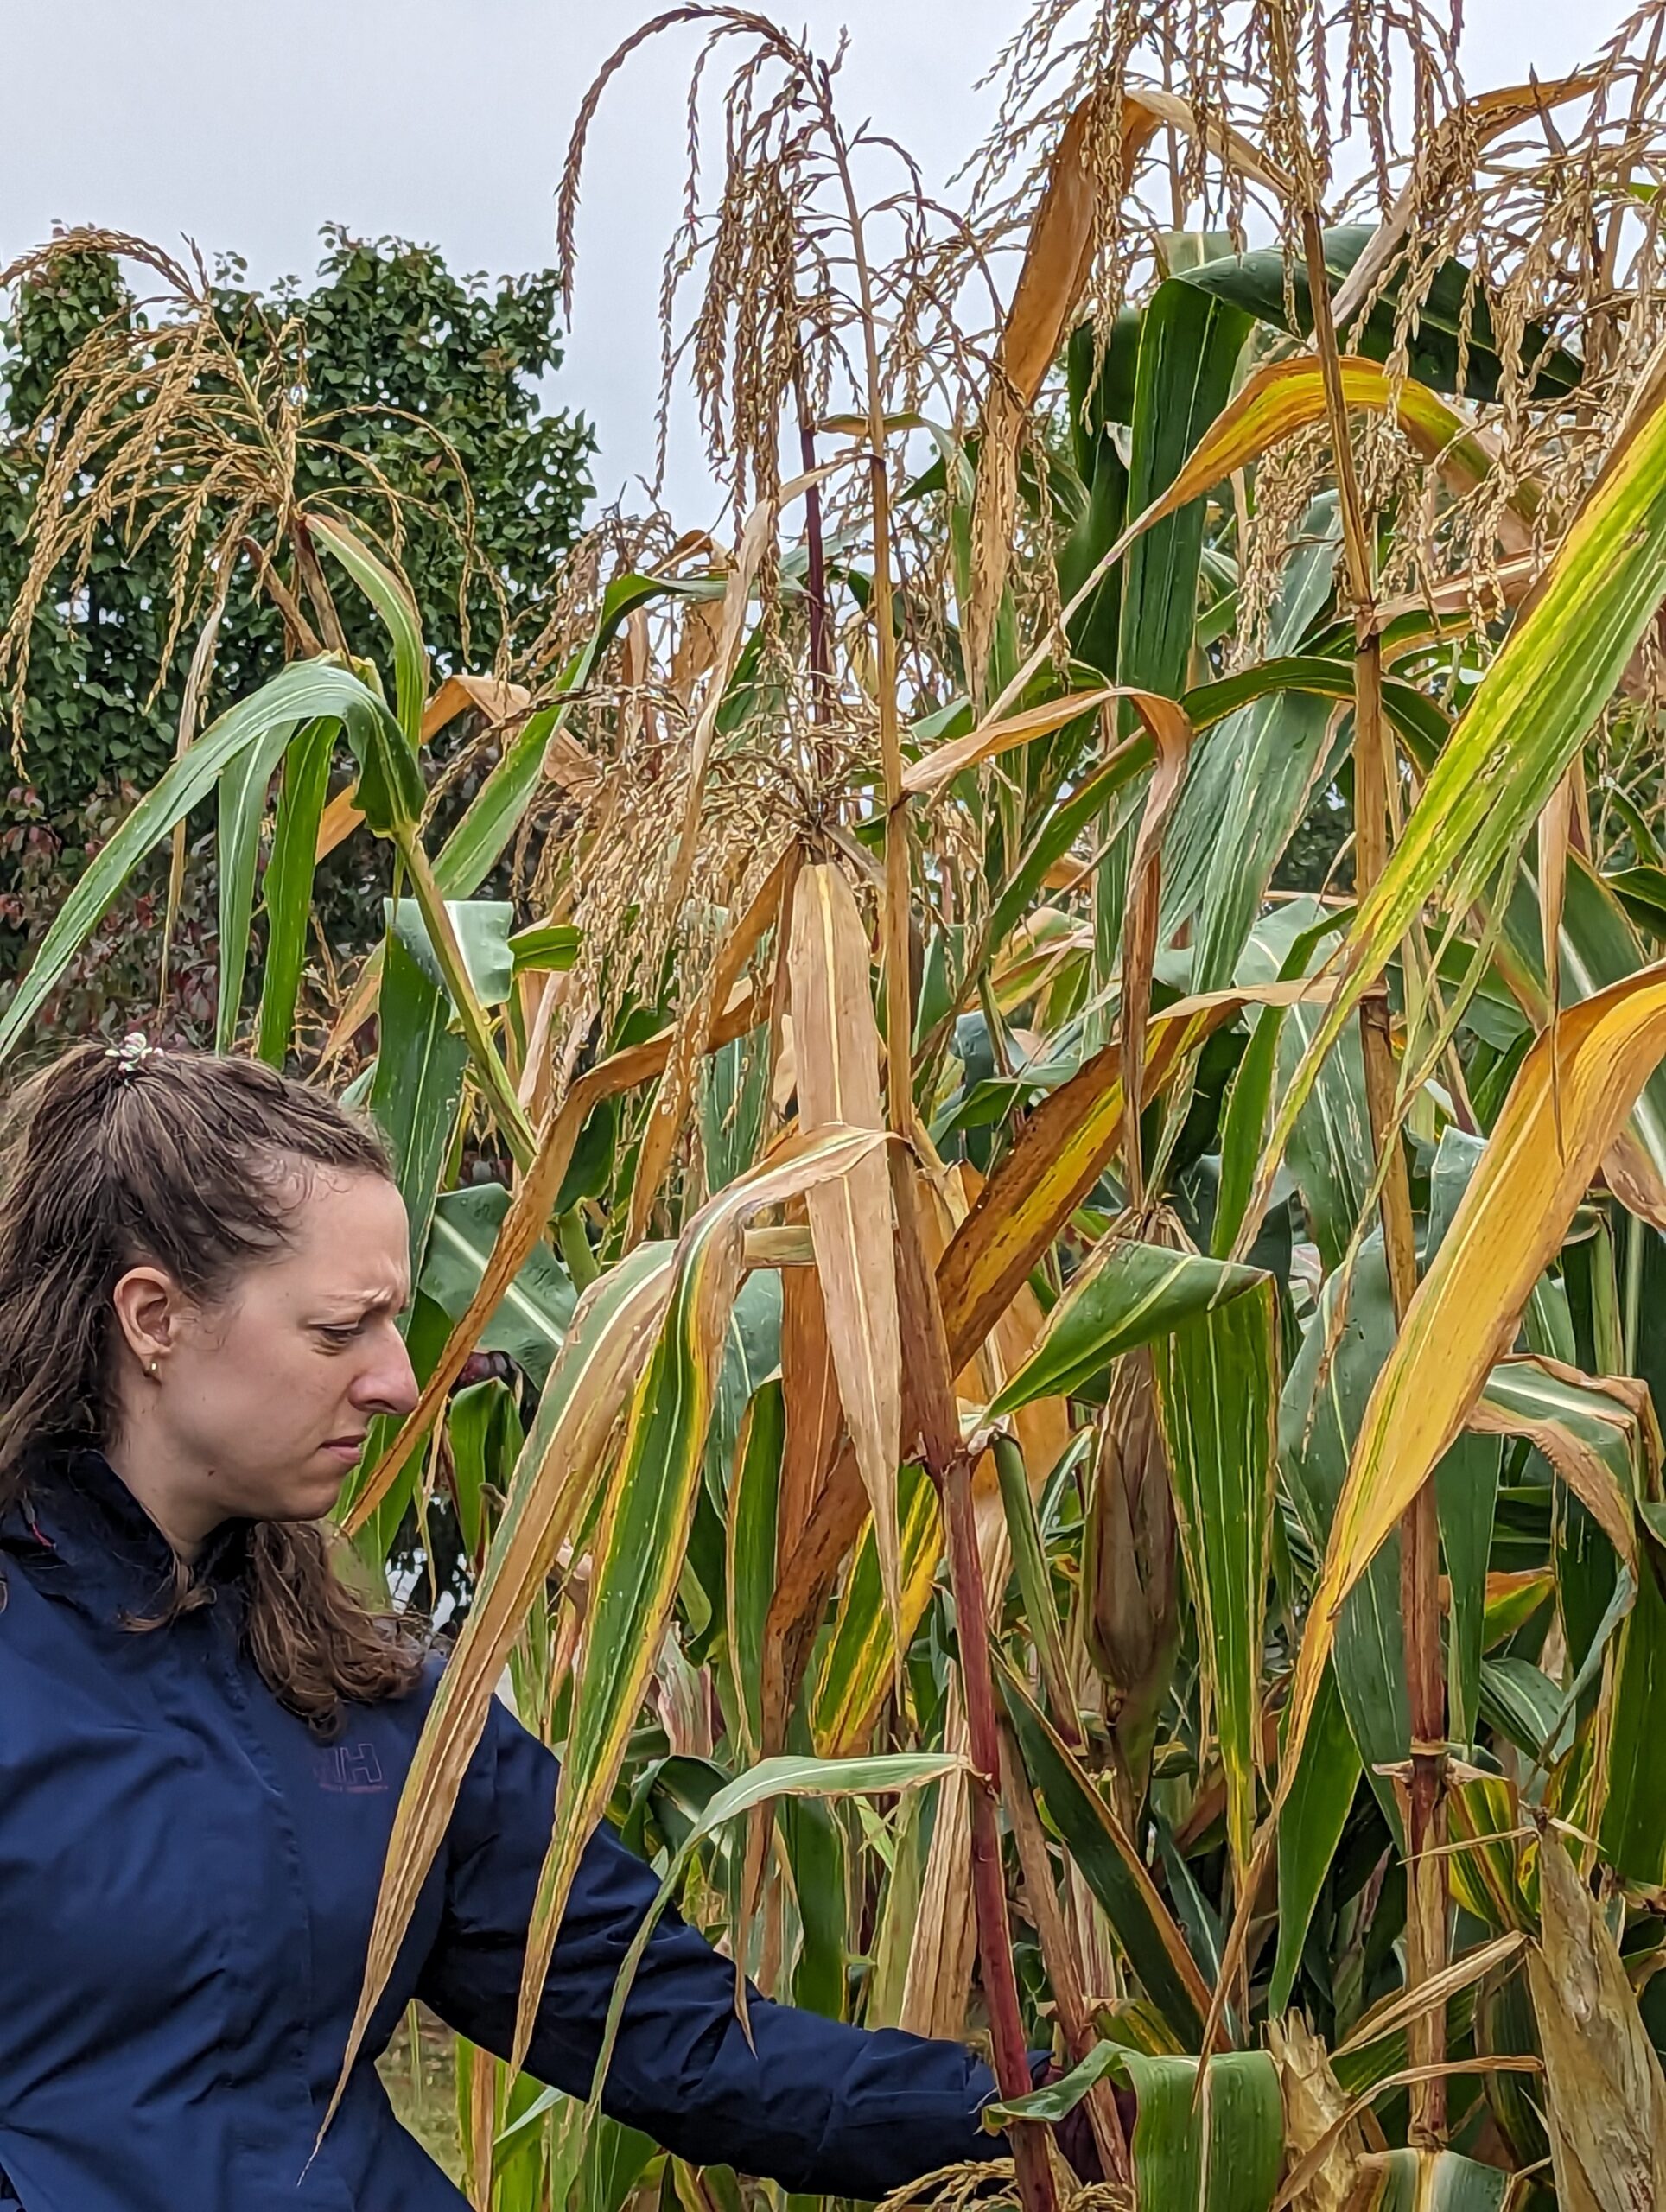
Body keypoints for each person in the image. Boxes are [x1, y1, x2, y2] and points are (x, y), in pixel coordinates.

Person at [0, 1040, 1017, 2212]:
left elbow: (678, 2037)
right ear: (154, 1319)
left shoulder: (376, 1705)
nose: (395, 1379)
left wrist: (1044, 2119)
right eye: (343, 1329)